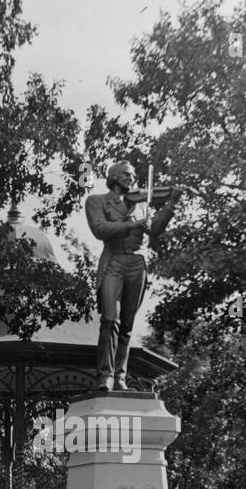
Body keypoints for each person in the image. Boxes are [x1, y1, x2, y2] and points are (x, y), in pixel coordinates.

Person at [84, 161, 179, 391]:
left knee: (127, 324)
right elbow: (100, 229)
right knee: (109, 319)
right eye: (126, 175)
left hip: (137, 263)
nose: (131, 179)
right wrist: (133, 225)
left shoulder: (142, 204)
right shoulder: (96, 201)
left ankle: (120, 377)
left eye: (134, 176)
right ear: (114, 176)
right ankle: (104, 376)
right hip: (113, 261)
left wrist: (172, 202)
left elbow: (155, 228)